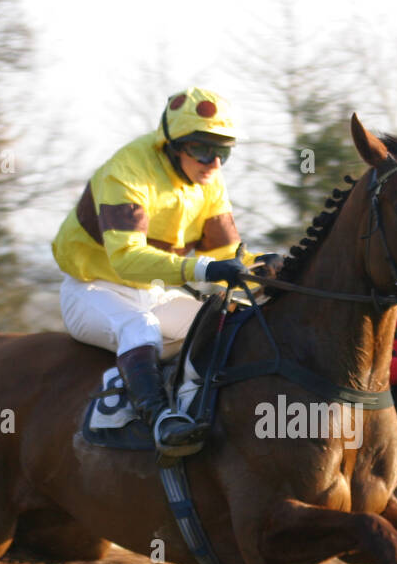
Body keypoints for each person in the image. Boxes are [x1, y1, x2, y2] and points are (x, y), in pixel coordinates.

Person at [52, 86, 276, 457]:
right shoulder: (126, 171)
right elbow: (127, 259)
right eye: (204, 149)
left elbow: (223, 256)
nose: (214, 163)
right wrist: (203, 268)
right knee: (141, 328)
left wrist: (262, 266)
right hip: (93, 289)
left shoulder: (210, 182)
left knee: (225, 322)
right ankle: (159, 419)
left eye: (223, 152)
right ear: (172, 144)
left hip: (153, 292)